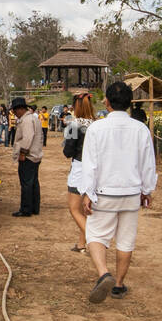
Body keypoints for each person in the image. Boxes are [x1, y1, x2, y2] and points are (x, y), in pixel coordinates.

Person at [77, 81, 157, 302]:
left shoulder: (96, 129)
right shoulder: (141, 129)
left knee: (95, 235)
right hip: (131, 194)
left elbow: (90, 165)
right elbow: (148, 164)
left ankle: (104, 274)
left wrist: (87, 193)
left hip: (104, 193)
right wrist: (147, 190)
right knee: (125, 240)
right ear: (130, 103)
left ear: (107, 102)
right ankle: (119, 285)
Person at [62, 92, 96, 253]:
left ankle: (93, 240)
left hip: (79, 168)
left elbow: (67, 152)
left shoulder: (74, 125)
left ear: (76, 106)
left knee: (74, 208)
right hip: (95, 169)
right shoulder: (97, 124)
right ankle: (81, 243)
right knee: (85, 209)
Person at [11, 96, 43, 217]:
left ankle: (26, 209)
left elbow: (27, 138)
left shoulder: (27, 120)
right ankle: (34, 207)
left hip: (28, 156)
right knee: (33, 182)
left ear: (20, 109)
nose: (14, 113)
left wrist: (23, 153)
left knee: (26, 183)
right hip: (35, 155)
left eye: (14, 111)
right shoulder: (32, 118)